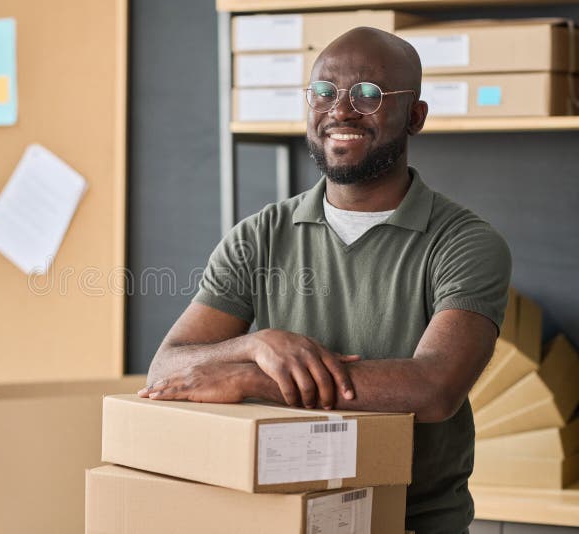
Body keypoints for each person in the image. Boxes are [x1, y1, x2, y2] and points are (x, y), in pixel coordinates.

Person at [138, 27, 512, 533]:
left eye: (368, 94)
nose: (340, 110)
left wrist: (255, 380)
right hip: (279, 515)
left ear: (415, 117)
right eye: (323, 92)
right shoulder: (259, 236)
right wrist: (257, 345)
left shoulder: (465, 243)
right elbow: (166, 367)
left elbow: (433, 388)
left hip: (409, 522)